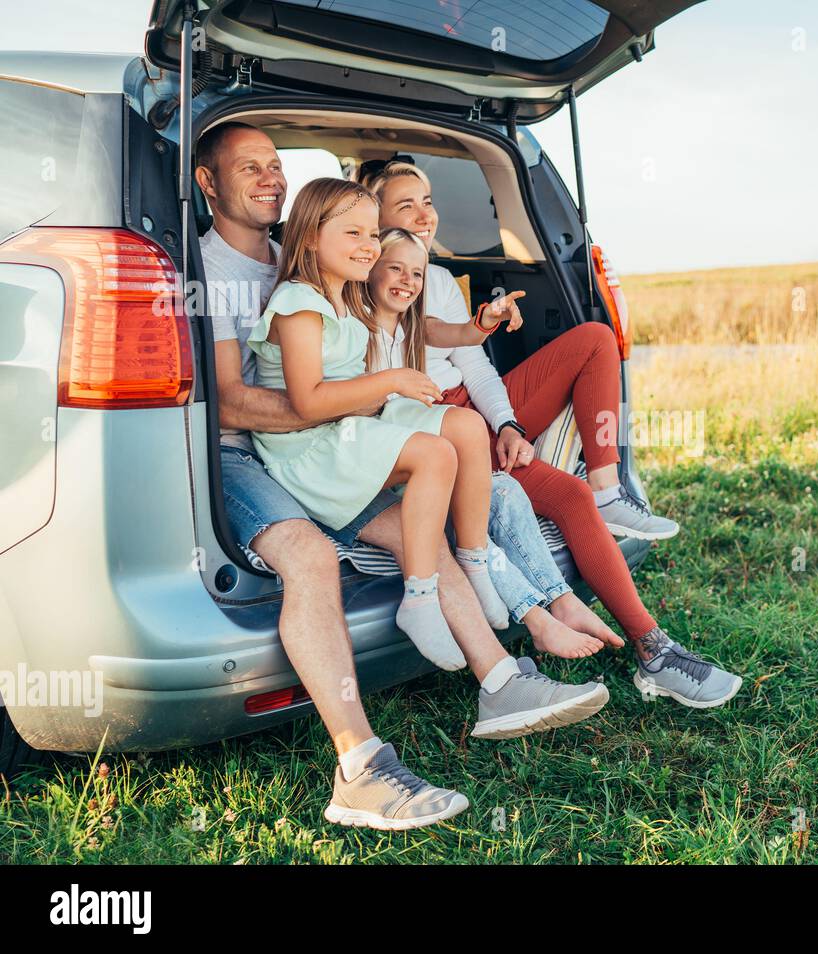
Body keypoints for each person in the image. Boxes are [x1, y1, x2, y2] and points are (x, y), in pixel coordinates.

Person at [196, 123, 606, 832]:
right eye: (248, 167)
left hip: (332, 437)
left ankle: (501, 683)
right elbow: (235, 402)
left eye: (275, 164)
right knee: (311, 556)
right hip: (244, 452)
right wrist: (359, 413)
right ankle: (359, 766)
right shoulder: (208, 271)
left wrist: (386, 405)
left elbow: (387, 338)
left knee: (427, 534)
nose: (270, 177)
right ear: (207, 184)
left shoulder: (302, 260)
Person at [363, 160, 743, 708]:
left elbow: (476, 365)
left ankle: (614, 503)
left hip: (475, 415)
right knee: (564, 495)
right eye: (406, 205)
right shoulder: (366, 285)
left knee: (593, 338)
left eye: (428, 200)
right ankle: (641, 644)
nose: (425, 214)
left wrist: (508, 424)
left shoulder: (436, 278)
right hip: (435, 428)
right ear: (374, 221)